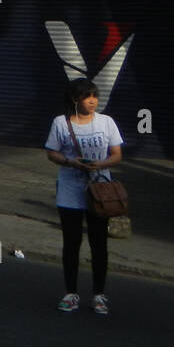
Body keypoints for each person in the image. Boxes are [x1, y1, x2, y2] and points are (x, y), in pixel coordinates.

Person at [44, 78, 123, 316]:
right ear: (74, 99)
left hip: (100, 193)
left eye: (94, 96)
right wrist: (70, 161)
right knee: (72, 244)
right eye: (87, 97)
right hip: (70, 192)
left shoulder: (106, 122)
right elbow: (52, 153)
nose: (92, 101)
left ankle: (99, 295)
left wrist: (100, 164)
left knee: (99, 244)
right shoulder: (61, 123)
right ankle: (71, 294)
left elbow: (117, 154)